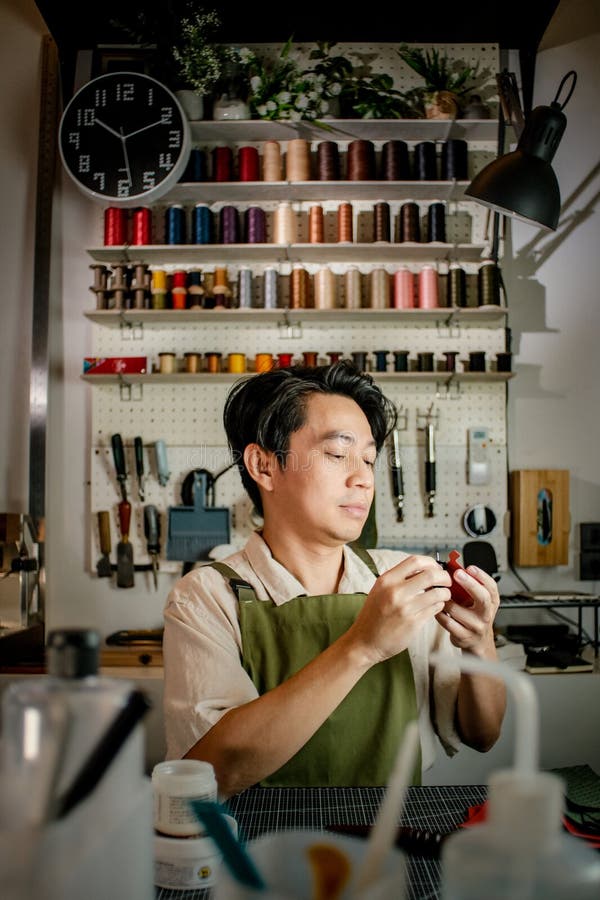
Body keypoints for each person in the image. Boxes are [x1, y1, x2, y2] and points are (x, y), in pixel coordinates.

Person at [162, 361, 506, 798]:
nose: (363, 479)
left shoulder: (406, 583)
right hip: (255, 847)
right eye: (337, 454)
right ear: (264, 465)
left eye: (368, 459)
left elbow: (483, 734)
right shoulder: (205, 596)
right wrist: (363, 646)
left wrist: (479, 642)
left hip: (392, 840)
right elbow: (211, 771)